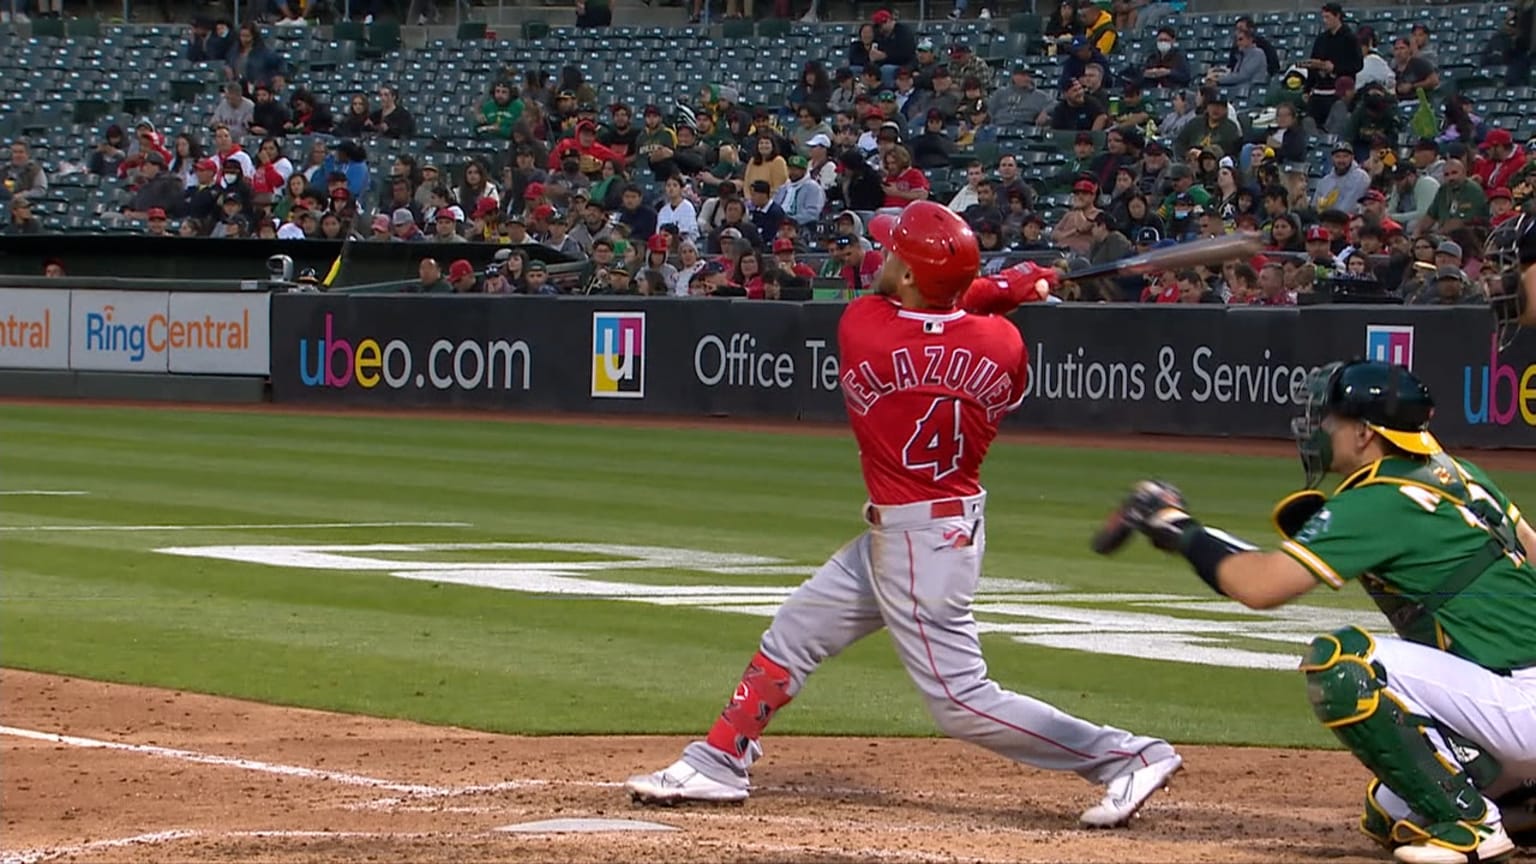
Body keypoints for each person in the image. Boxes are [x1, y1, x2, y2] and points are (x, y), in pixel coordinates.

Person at [624, 201, 1183, 829]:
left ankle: (1126, 756)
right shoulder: (1004, 343)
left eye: (895, 255)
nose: (884, 259)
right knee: (797, 630)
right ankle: (718, 759)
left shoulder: (863, 326)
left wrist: (1001, 286)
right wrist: (1006, 292)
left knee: (959, 701)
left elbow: (930, 306)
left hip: (922, 542)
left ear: (914, 277)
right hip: (935, 523)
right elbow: (956, 313)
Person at [1093, 359, 1536, 864]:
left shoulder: (1380, 500)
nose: (1319, 430)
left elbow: (1259, 585)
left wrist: (1179, 530)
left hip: (1519, 707)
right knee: (1391, 811)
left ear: (1365, 433)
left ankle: (1473, 826)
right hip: (1514, 704)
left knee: (1346, 665)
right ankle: (1521, 801)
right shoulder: (1458, 476)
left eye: (1330, 420)